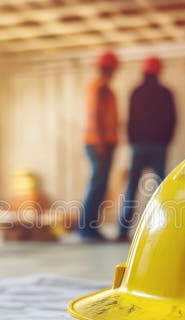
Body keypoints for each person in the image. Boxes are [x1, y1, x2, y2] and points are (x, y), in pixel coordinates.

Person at [117, 56, 177, 241]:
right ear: (159, 72)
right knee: (160, 189)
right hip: (159, 146)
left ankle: (122, 232)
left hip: (139, 146)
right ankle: (162, 230)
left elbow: (130, 121)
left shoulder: (136, 92)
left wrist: (133, 141)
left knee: (132, 187)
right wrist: (165, 142)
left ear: (143, 71)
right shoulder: (166, 93)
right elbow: (173, 121)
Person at [79, 50, 120, 242]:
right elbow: (95, 116)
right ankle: (87, 228)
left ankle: (89, 227)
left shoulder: (105, 88)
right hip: (99, 143)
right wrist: (101, 143)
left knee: (100, 186)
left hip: (103, 142)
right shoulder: (100, 88)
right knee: (97, 186)